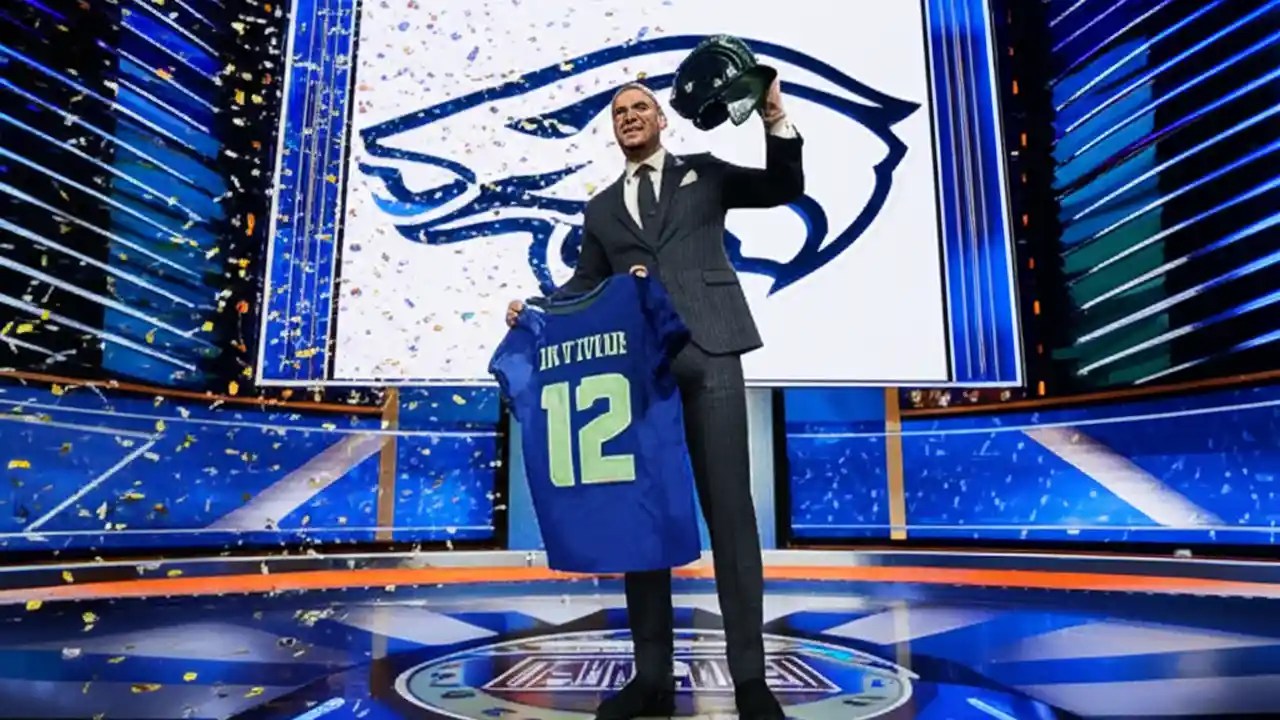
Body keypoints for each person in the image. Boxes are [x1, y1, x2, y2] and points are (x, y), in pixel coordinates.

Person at [505, 78, 804, 720]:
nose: (630, 117)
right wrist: (533, 311)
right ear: (614, 130)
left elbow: (783, 188)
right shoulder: (602, 208)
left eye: (640, 107)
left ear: (662, 119)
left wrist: (774, 114)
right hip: (642, 371)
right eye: (619, 113)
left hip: (712, 348)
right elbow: (586, 283)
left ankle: (751, 681)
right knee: (643, 521)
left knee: (731, 513)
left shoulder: (707, 173)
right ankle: (652, 679)